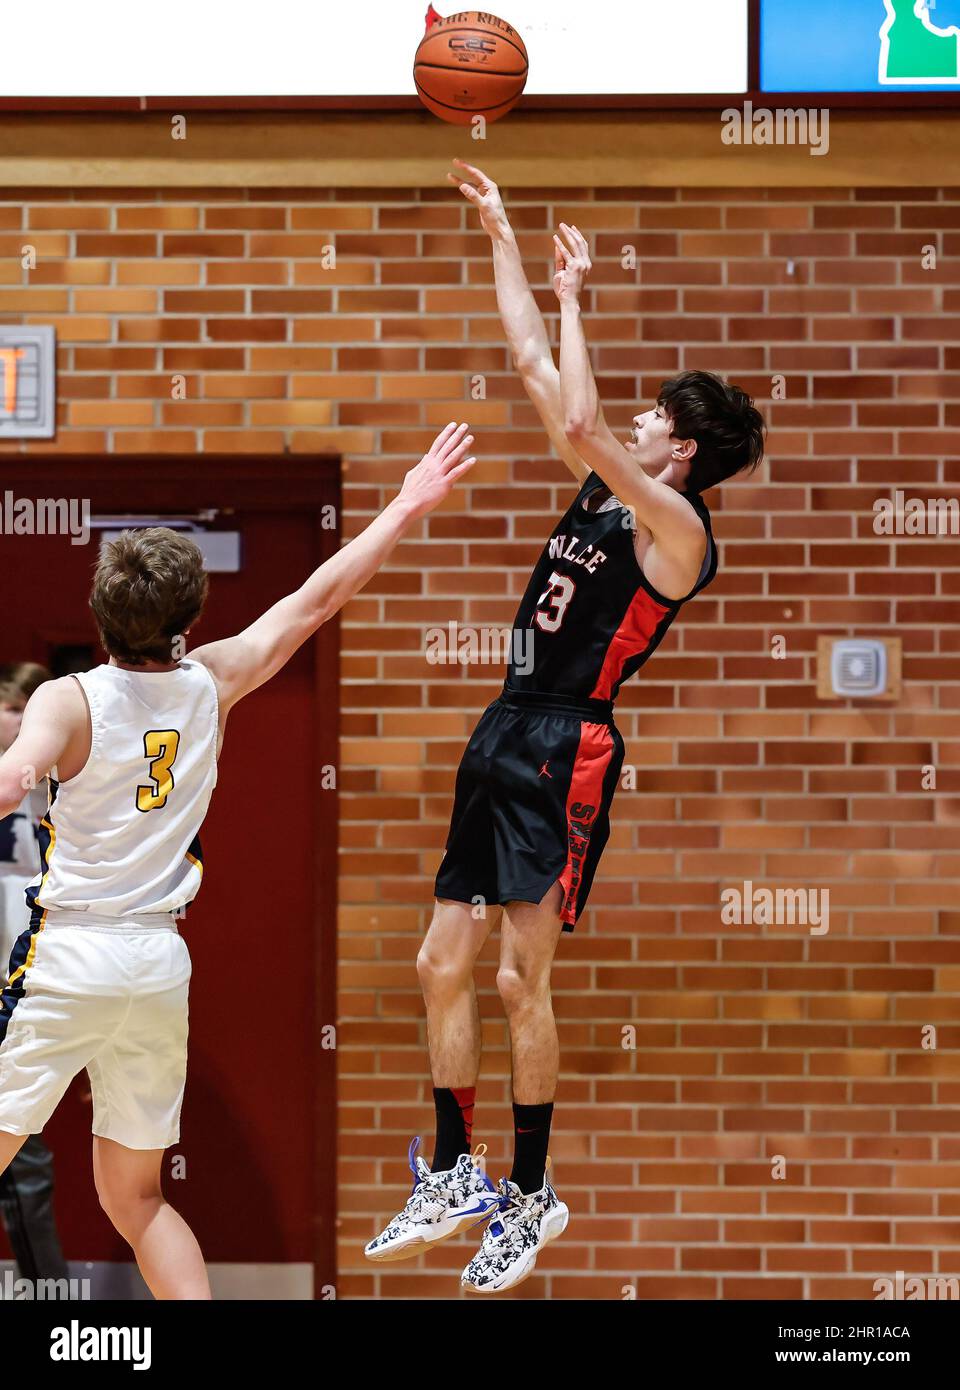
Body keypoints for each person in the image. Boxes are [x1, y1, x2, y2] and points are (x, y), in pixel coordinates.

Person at [365, 162, 765, 1294]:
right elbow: (539, 366)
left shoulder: (674, 526)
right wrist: (500, 233)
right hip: (504, 725)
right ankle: (456, 1170)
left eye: (657, 415)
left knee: (513, 981)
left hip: (569, 746)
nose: (632, 418)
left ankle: (534, 1196)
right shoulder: (601, 489)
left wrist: (583, 297)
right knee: (440, 959)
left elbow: (583, 410)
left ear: (682, 447)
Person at [0, 422, 475, 1299]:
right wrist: (406, 503)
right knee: (136, 1199)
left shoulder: (69, 701)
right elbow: (315, 598)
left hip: (69, 955)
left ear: (99, 611)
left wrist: (24, 769)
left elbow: (10, 783)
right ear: (187, 622)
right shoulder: (213, 682)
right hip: (157, 963)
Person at [0, 662, 71, 1291]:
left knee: (24, 1159)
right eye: (11, 707)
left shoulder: (61, 778)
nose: (23, 722)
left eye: (29, 708)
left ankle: (52, 1299)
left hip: (29, 981)